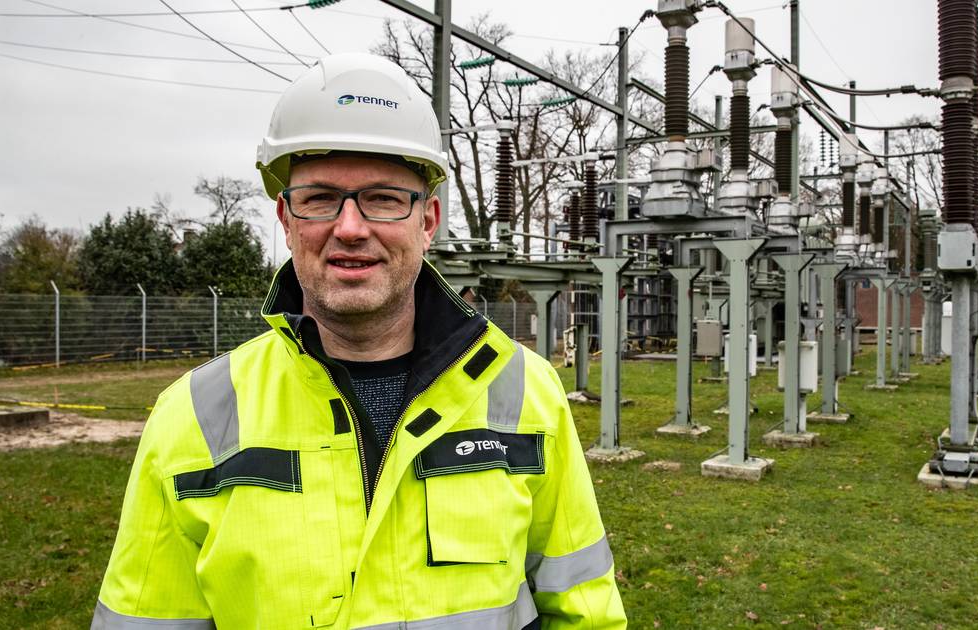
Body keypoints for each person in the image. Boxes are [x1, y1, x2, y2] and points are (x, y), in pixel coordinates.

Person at [92, 53, 626, 629]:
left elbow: (582, 611)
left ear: (428, 221)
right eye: (320, 198)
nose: (349, 227)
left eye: (384, 198)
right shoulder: (192, 418)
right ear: (286, 219)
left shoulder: (527, 395)